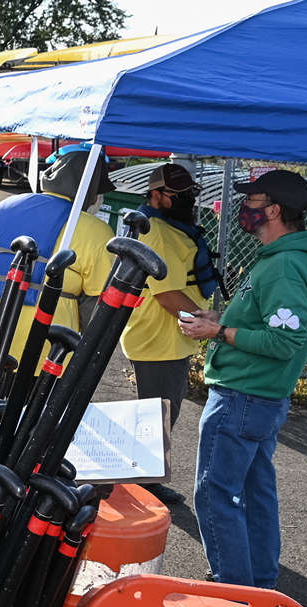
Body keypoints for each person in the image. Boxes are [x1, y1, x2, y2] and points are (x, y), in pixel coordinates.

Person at [180, 170, 307, 589]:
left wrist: (220, 333)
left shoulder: (283, 265)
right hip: (260, 397)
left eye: (253, 201)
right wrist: (222, 319)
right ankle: (258, 582)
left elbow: (285, 340)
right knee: (255, 490)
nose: (244, 208)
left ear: (275, 211)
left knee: (214, 494)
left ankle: (232, 585)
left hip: (244, 396)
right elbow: (269, 321)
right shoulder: (285, 259)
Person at [0, 149, 115, 364]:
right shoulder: (96, 230)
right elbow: (98, 305)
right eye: (98, 192)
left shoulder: (4, 208)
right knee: (39, 397)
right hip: (51, 344)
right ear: (89, 191)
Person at [121, 163, 217, 504]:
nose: (187, 200)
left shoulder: (169, 225)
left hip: (166, 336)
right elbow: (167, 294)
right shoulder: (160, 231)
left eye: (190, 193)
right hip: (160, 337)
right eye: (178, 195)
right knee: (160, 413)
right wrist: (208, 325)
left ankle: (140, 479)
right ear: (156, 195)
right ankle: (142, 486)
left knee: (158, 410)